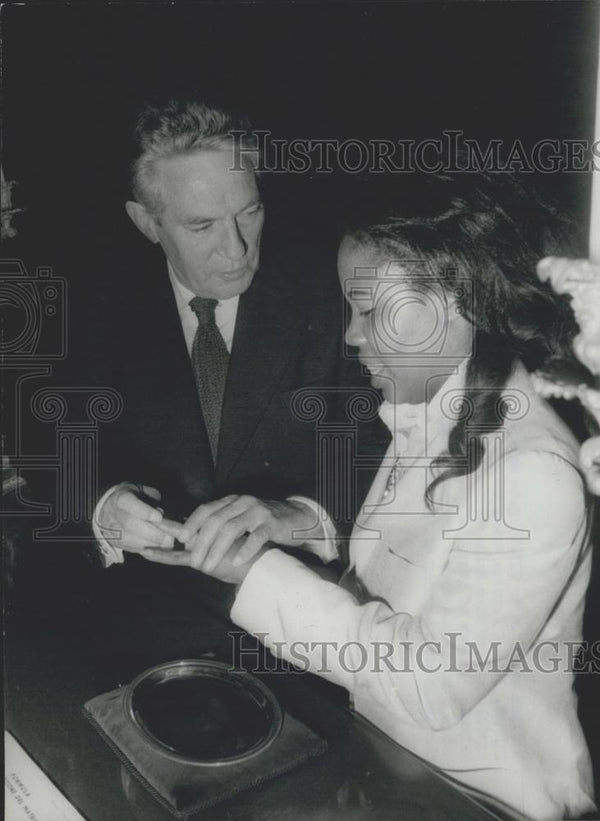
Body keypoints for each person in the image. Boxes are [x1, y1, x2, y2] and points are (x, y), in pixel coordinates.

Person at [144, 172, 596, 819]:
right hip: (395, 776)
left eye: (369, 310)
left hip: (489, 801)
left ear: (458, 302)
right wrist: (292, 522)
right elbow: (408, 558)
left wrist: (252, 574)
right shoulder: (435, 402)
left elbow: (429, 687)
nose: (351, 336)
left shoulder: (535, 474)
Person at [91, 98, 387, 582]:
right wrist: (103, 505)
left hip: (307, 599)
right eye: (202, 225)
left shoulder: (331, 294)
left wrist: (302, 516)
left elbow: (391, 446)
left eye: (248, 213)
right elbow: (48, 436)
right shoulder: (96, 306)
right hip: (143, 604)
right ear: (147, 223)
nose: (236, 250)